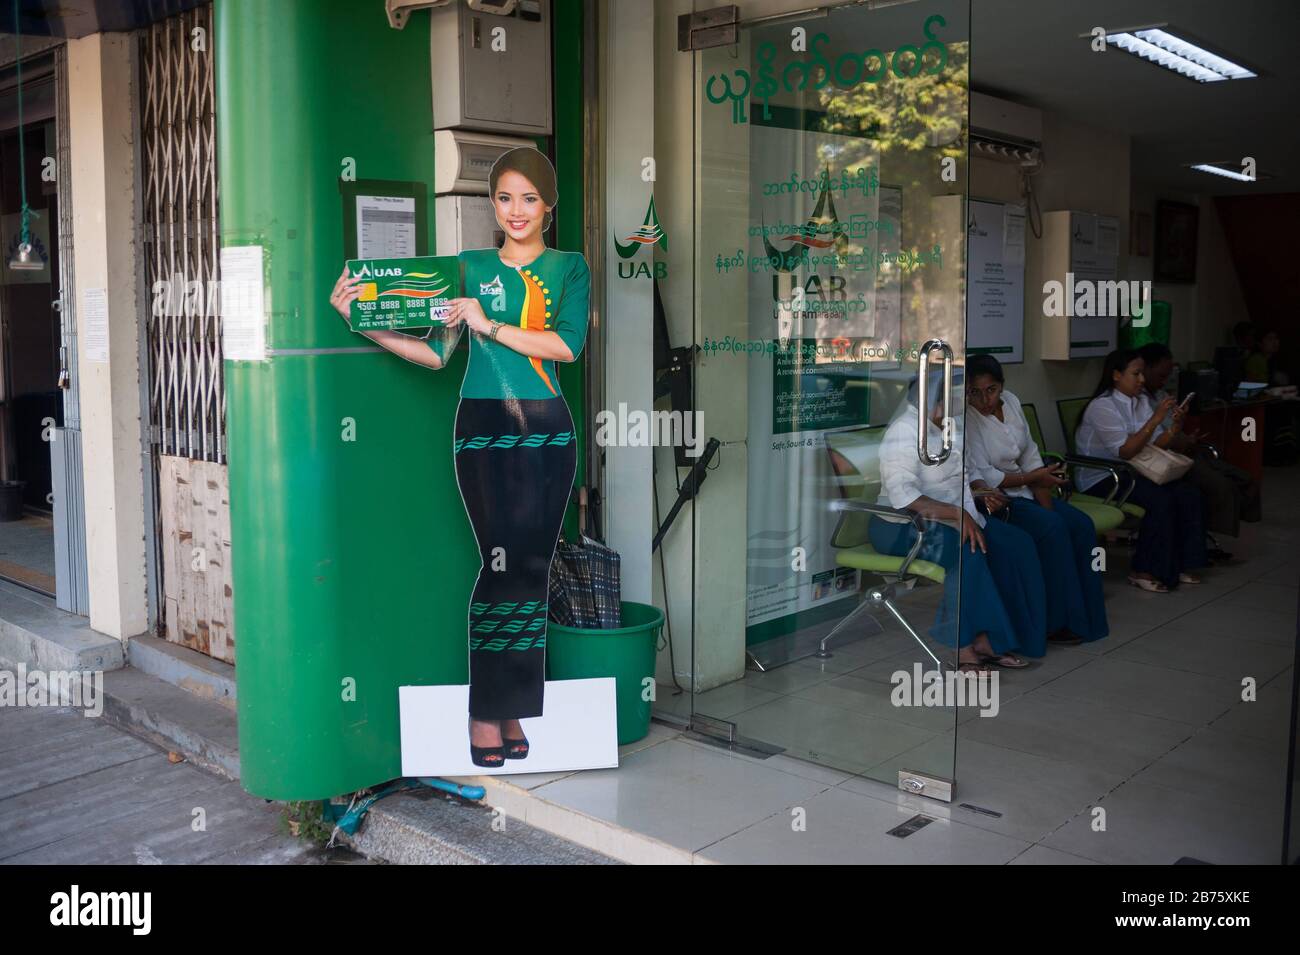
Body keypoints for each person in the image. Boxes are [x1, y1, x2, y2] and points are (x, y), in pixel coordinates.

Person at [330, 147, 590, 767]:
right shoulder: (468, 268)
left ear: (549, 205)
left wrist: (489, 323)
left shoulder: (569, 267)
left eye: (530, 198)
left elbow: (566, 346)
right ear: (492, 204)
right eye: (505, 197)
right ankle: (484, 712)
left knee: (532, 568)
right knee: (499, 567)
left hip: (549, 433)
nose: (517, 210)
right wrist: (360, 319)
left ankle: (511, 709)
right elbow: (436, 355)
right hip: (483, 430)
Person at [868, 370, 1046, 671]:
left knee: (1016, 544)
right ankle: (968, 647)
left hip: (950, 518)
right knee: (968, 553)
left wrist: (978, 496)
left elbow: (958, 478)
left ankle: (1014, 635)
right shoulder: (904, 431)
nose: (961, 403)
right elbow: (905, 497)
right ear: (931, 403)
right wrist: (958, 515)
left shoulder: (952, 424)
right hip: (900, 525)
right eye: (952, 398)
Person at [964, 355, 1108, 645]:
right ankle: (1056, 622)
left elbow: (1030, 453)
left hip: (1029, 489)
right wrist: (1035, 480)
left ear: (1002, 386)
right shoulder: (968, 417)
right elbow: (986, 475)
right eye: (974, 392)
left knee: (1081, 525)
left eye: (991, 390)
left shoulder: (1013, 402)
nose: (984, 399)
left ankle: (1088, 615)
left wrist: (1045, 499)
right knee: (1052, 529)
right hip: (998, 499)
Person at [1075, 349, 1208, 592]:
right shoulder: (1102, 407)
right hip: (1103, 476)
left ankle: (1180, 563)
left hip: (1134, 470)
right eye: (1135, 374)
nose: (1142, 380)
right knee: (1160, 500)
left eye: (1141, 374)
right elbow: (1125, 451)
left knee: (1188, 493)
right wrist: (1156, 420)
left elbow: (1155, 446)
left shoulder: (1142, 402)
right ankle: (1144, 569)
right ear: (1116, 375)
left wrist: (1174, 426)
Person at [1139, 342, 1261, 541]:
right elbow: (1154, 441)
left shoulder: (1161, 395)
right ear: (1146, 368)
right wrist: (1178, 440)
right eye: (1161, 375)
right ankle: (1212, 536)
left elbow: (1173, 429)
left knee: (1244, 478)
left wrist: (1186, 436)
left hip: (1184, 449)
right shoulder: (1138, 401)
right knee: (1220, 486)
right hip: (1165, 457)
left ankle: (1229, 524)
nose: (1164, 381)